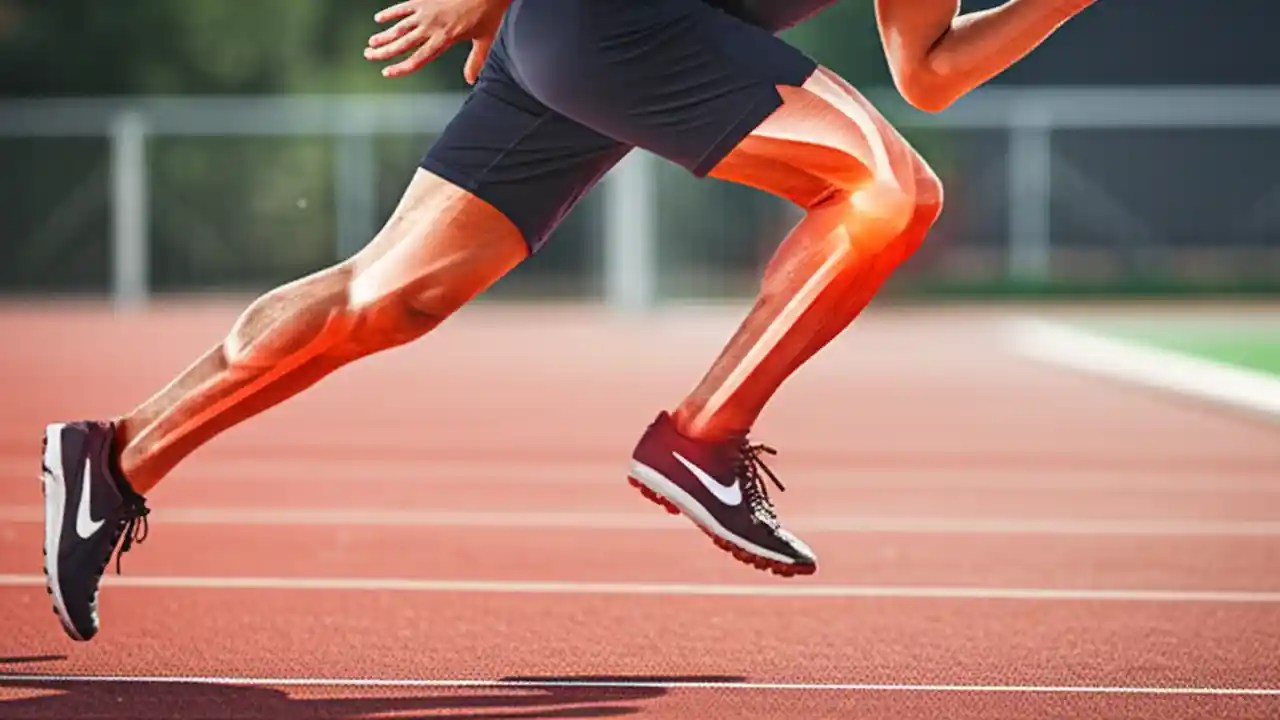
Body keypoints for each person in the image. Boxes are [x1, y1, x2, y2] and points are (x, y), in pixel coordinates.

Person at [40, 0, 1097, 640]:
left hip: (606, 43)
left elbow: (931, 68)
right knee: (888, 192)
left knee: (387, 297)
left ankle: (116, 456)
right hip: (610, 26)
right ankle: (700, 438)